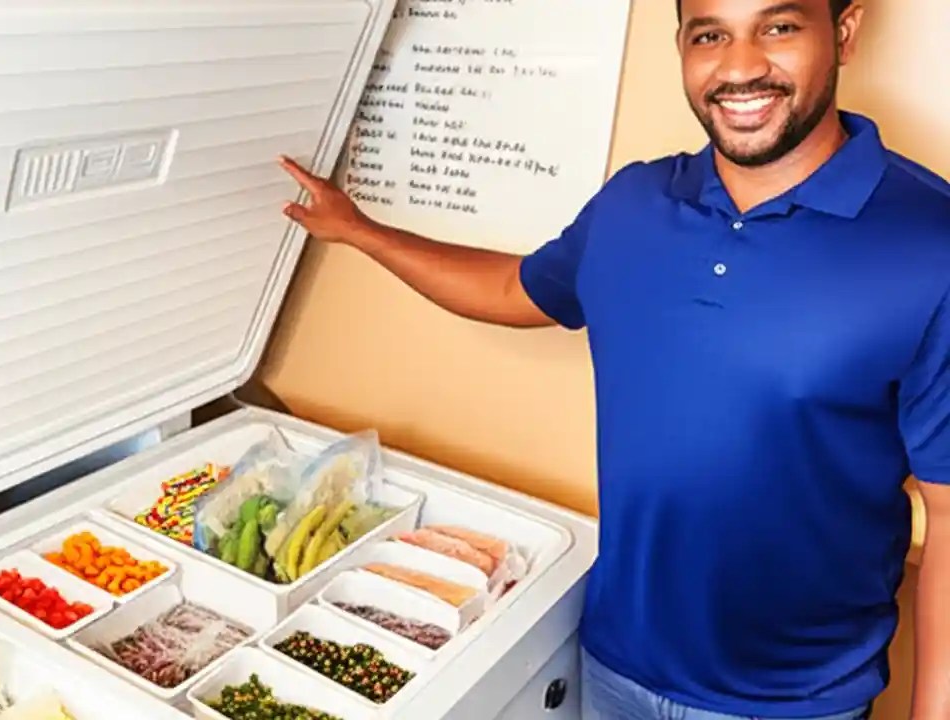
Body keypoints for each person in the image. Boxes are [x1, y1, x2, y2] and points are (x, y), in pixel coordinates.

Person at [277, 0, 950, 717]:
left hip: (794, 699)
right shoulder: (635, 203)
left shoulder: (926, 244)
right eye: (710, 35)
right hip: (613, 663)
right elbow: (512, 288)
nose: (741, 65)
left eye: (779, 27)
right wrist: (358, 231)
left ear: (843, 33)